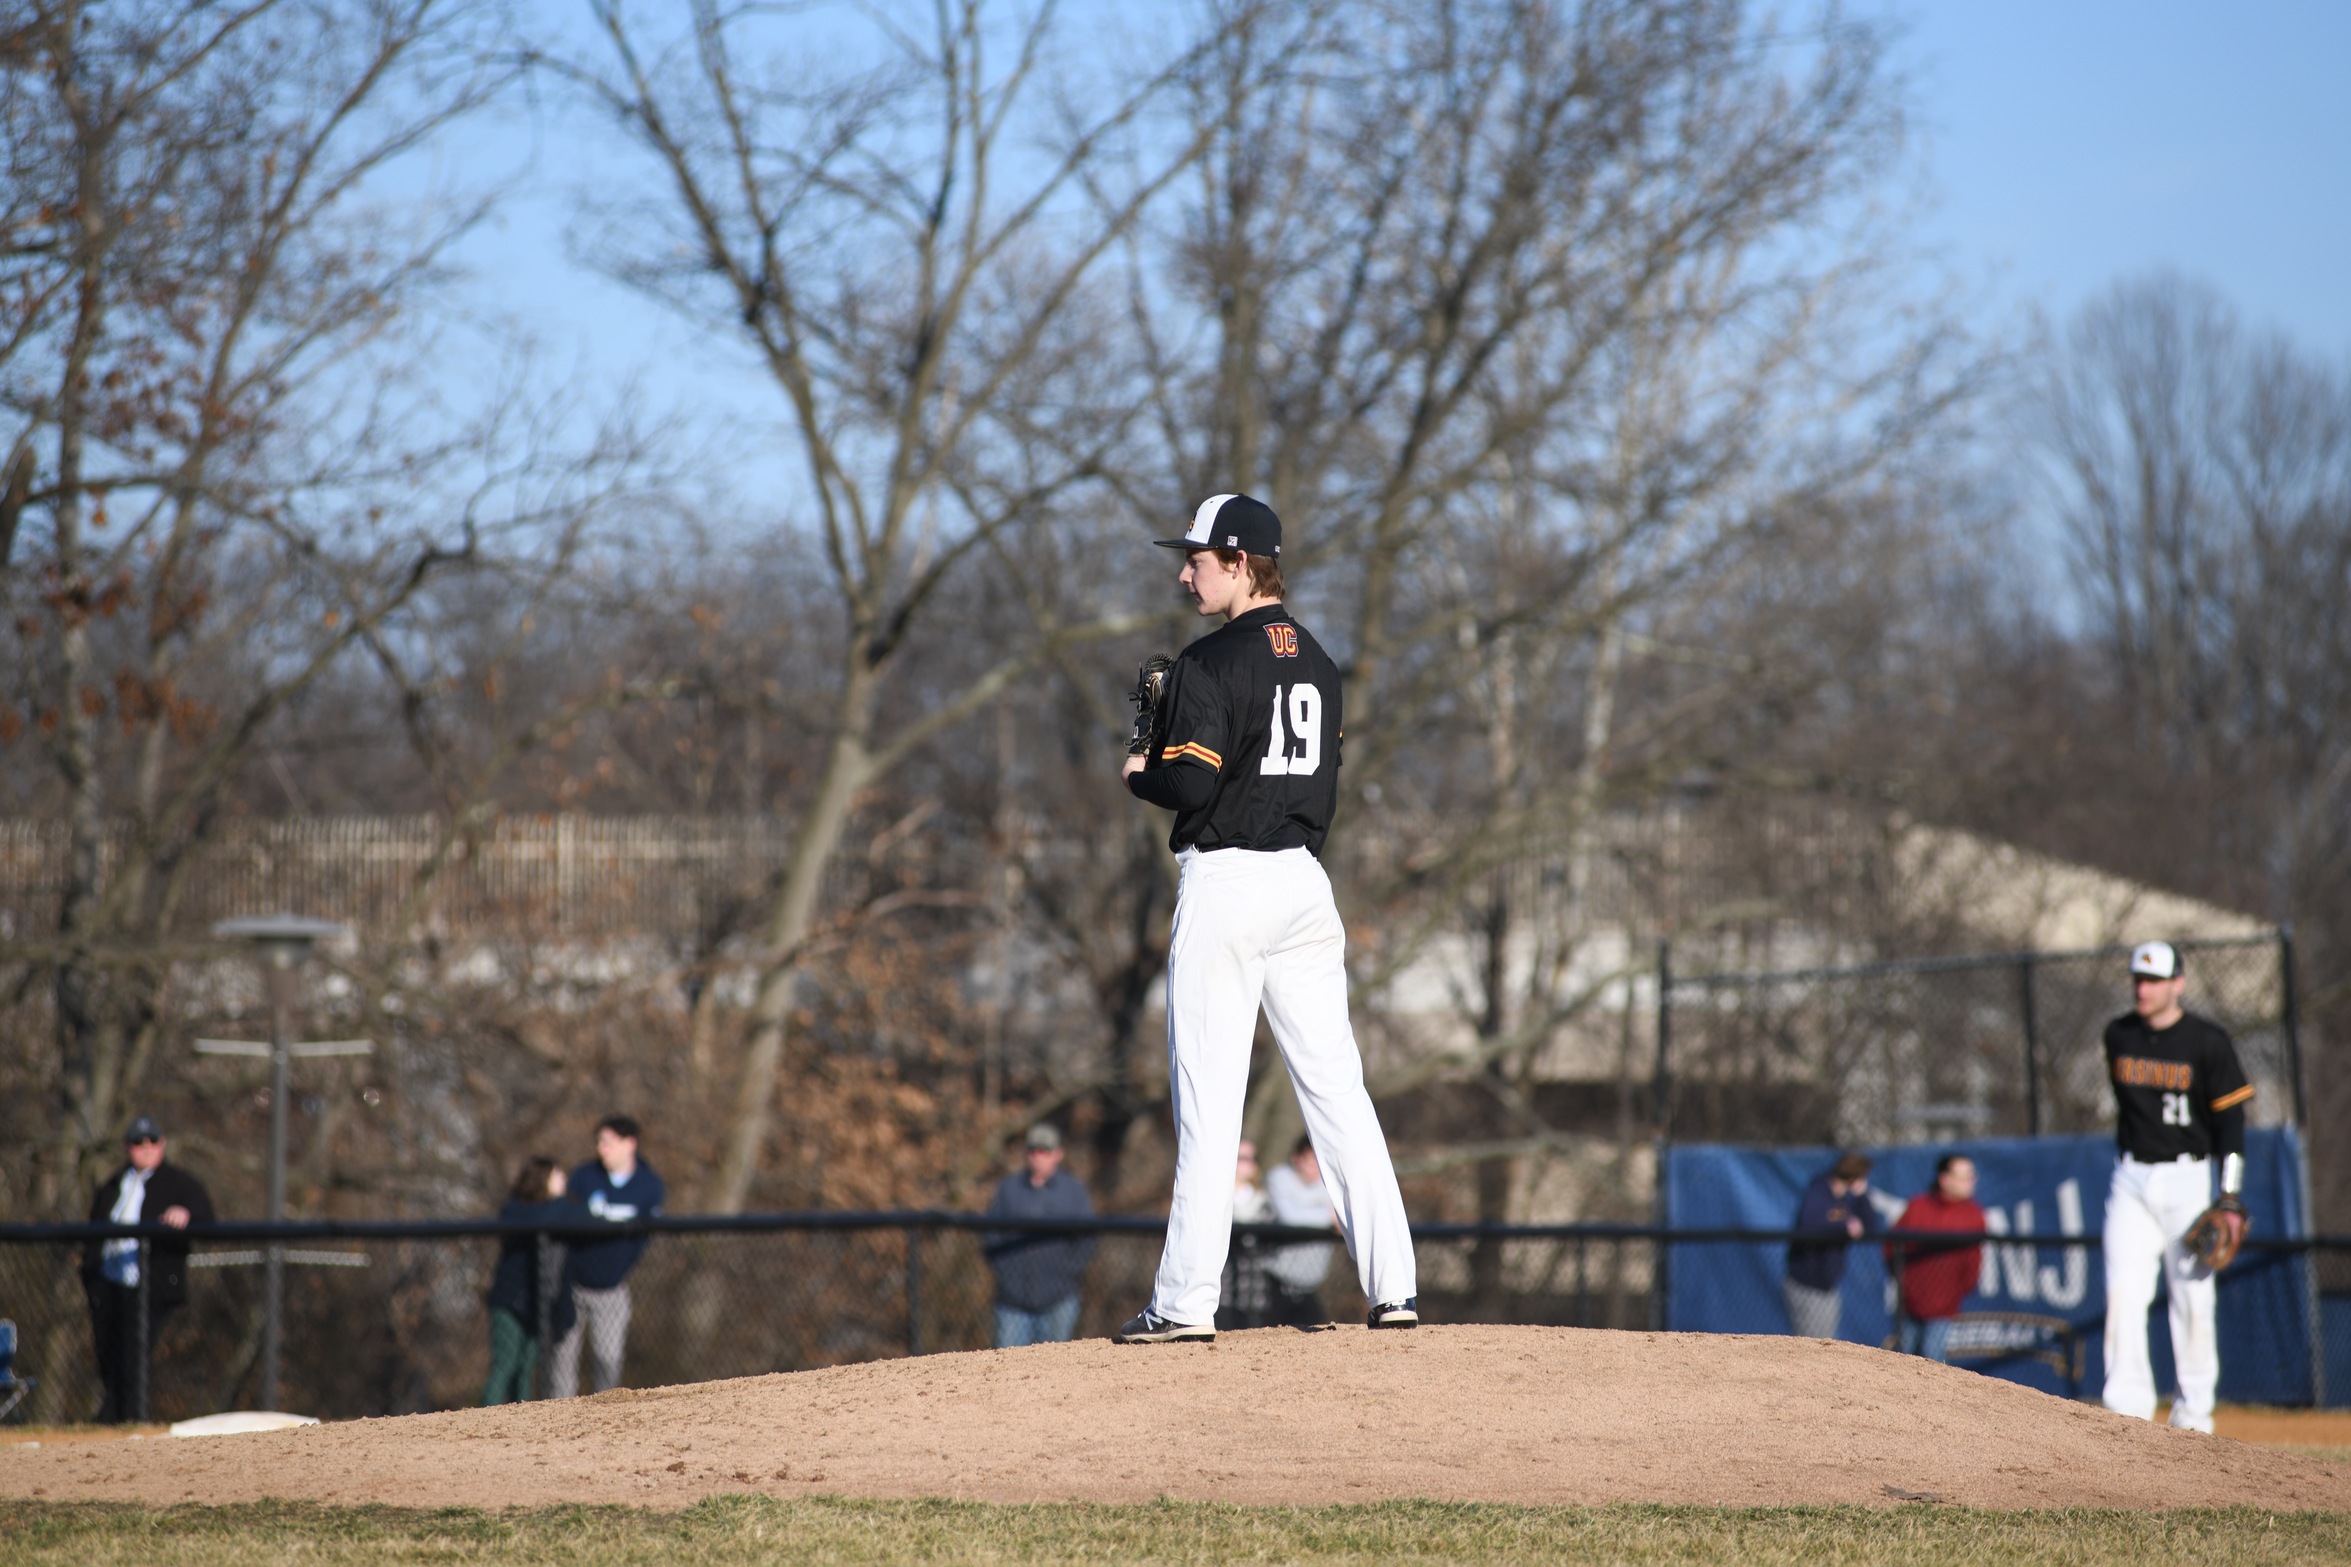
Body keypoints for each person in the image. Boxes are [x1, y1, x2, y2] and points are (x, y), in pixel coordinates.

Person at [1114, 493, 1417, 1343]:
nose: (1184, 571)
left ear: (1242, 562)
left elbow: (1190, 786)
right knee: (1337, 1091)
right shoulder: (1320, 662)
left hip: (1230, 884)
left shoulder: (1211, 663)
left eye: (1198, 557)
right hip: (1303, 885)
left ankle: (1182, 1303)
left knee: (1210, 1104)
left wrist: (1140, 766)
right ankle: (1394, 1288)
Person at [2100, 940, 2253, 1434]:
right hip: (2130, 1176)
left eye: (2153, 981)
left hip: (2188, 1176)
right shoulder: (2118, 1035)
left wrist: (2228, 1197)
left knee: (2191, 1297)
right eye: (2137, 980)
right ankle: (2126, 1410)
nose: (2142, 989)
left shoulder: (2207, 1042)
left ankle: (2193, 1415)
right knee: (2123, 1291)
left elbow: (2231, 1124)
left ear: (2177, 984)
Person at [81, 1115, 215, 1422]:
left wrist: (186, 1215)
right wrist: (89, 1273)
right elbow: (93, 1231)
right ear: (127, 1147)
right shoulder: (113, 1184)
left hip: (152, 1287)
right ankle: (113, 1420)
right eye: (138, 1143)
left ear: (162, 1144)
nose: (146, 1148)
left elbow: (208, 1220)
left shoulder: (179, 1183)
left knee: (134, 1357)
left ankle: (127, 1419)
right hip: (110, 1285)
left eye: (152, 1141)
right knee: (108, 1357)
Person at [549, 1114, 664, 1398]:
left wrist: (619, 1266)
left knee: (608, 1361)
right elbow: (563, 1217)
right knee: (562, 1362)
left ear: (630, 1144)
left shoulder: (650, 1186)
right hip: (572, 1287)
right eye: (599, 1142)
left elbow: (644, 1236)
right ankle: (558, 1423)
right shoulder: (583, 1177)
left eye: (608, 1142)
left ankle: (608, 1426)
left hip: (612, 1290)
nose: (601, 1148)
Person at [981, 1124, 1098, 1347]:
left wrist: (1067, 1271)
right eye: (1033, 1151)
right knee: (1008, 1367)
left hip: (1059, 1298)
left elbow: (1086, 1239)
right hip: (1012, 1300)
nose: (1037, 1157)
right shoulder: (1008, 1189)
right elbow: (990, 1235)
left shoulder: (1072, 1190)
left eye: (1044, 1151)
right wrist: (1006, 1273)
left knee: (1054, 1367)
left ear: (1057, 1155)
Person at [483, 1157, 576, 1405]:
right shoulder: (516, 1209)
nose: (564, 1181)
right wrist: (563, 1203)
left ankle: (520, 1418)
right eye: (558, 1176)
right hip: (509, 1300)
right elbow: (547, 1215)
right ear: (542, 1180)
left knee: (525, 1367)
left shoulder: (560, 1210)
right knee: (505, 1363)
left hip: (539, 1303)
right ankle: (480, 1419)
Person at [1885, 1153, 1985, 1363]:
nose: (1971, 1182)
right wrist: (1905, 1283)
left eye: (1971, 1176)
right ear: (1945, 1179)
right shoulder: (1919, 1206)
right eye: (1964, 1177)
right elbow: (1891, 1246)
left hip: (1943, 1309)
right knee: (1903, 1359)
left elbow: (1972, 1266)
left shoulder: (1973, 1215)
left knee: (1932, 1360)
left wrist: (1953, 1294)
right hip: (1909, 1304)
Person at [1785, 1151, 1879, 1339]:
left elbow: (1870, 1225)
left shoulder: (1844, 1199)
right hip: (1807, 1284)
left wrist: (1862, 1196)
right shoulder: (1819, 1191)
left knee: (1826, 1343)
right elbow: (1808, 1223)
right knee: (1810, 1343)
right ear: (1853, 1177)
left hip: (1827, 1286)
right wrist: (1843, 1227)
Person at [1262, 1136, 1339, 1328]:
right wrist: (1328, 1216)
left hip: (1310, 1288)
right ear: (1296, 1159)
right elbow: (1289, 1216)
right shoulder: (1279, 1177)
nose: (1316, 1167)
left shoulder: (1330, 1183)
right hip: (1273, 1285)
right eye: (1311, 1160)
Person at [1215, 1140, 1273, 1331]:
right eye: (1241, 1158)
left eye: (1251, 1159)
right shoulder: (1217, 1196)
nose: (1246, 1164)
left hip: (1255, 1285)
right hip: (1223, 1286)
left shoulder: (1265, 1199)